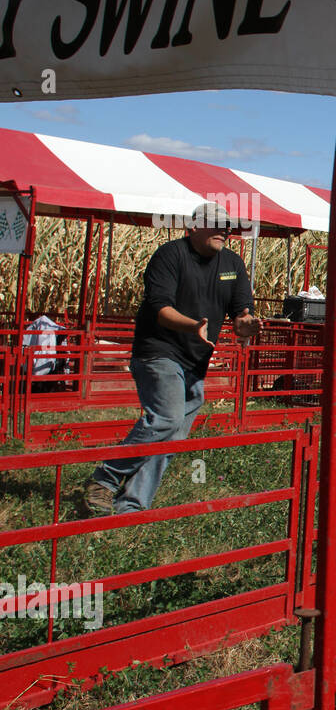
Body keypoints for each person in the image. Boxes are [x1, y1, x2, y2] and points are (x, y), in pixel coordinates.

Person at [83, 204, 261, 516]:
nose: (224, 231)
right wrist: (194, 325)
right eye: (217, 224)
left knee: (174, 435)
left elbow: (241, 313)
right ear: (194, 227)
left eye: (228, 226)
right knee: (166, 419)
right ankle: (106, 478)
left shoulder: (232, 263)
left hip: (195, 362)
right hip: (158, 351)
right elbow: (161, 311)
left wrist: (246, 324)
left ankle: (131, 507)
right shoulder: (170, 256)